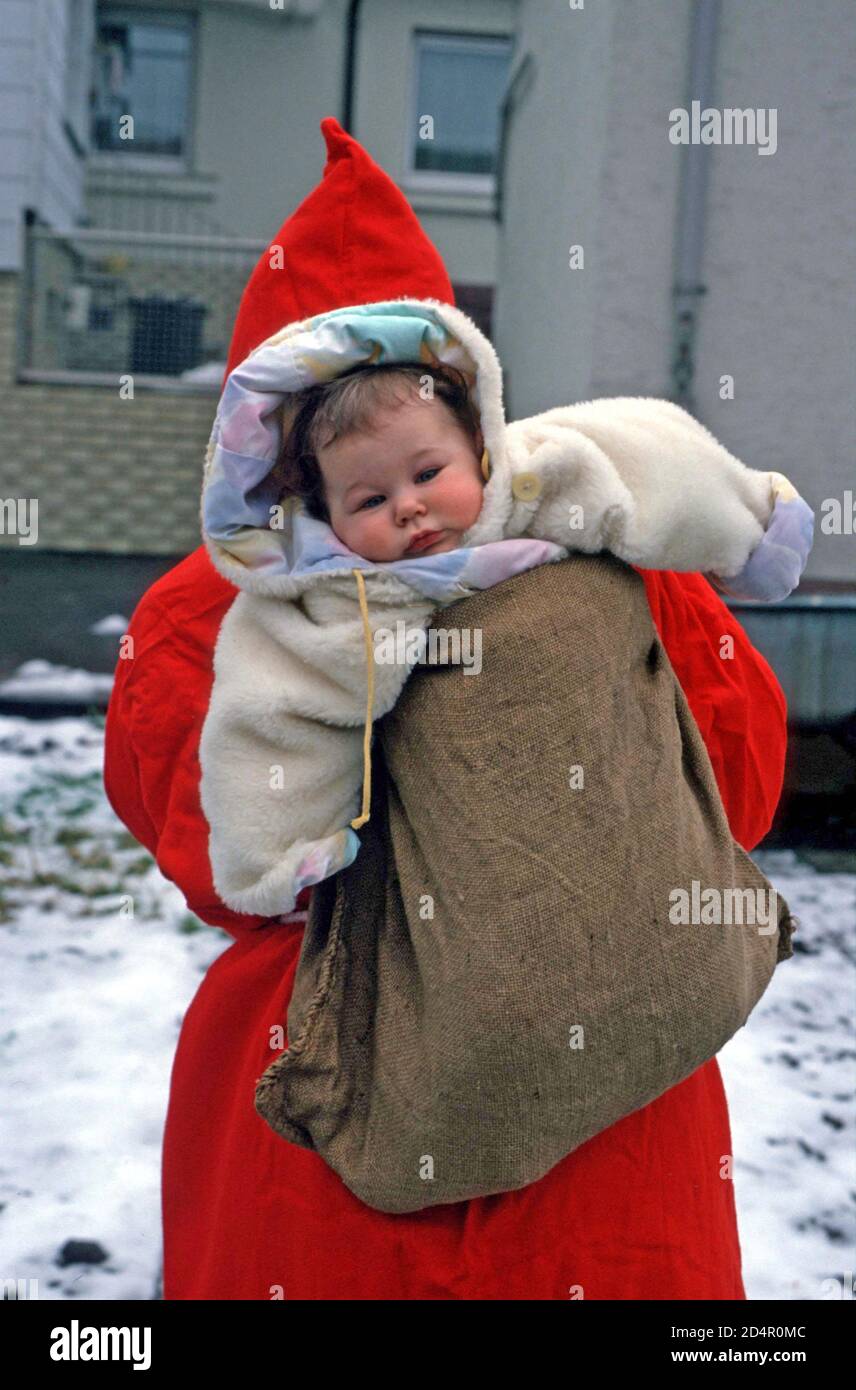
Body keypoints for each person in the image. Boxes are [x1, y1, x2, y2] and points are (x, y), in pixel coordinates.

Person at [103, 117, 797, 1299]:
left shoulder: (203, 611)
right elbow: (740, 780)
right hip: (606, 1089)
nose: (410, 509)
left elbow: (221, 866)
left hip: (326, 1098)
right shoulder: (607, 547)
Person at [197, 308, 811, 920]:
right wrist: (278, 861)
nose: (409, 507)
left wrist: (752, 529)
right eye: (371, 500)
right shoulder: (333, 601)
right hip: (471, 848)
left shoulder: (532, 480)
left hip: (615, 777)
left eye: (428, 473)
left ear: (479, 448)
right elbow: (268, 713)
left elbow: (645, 452)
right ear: (325, 517)